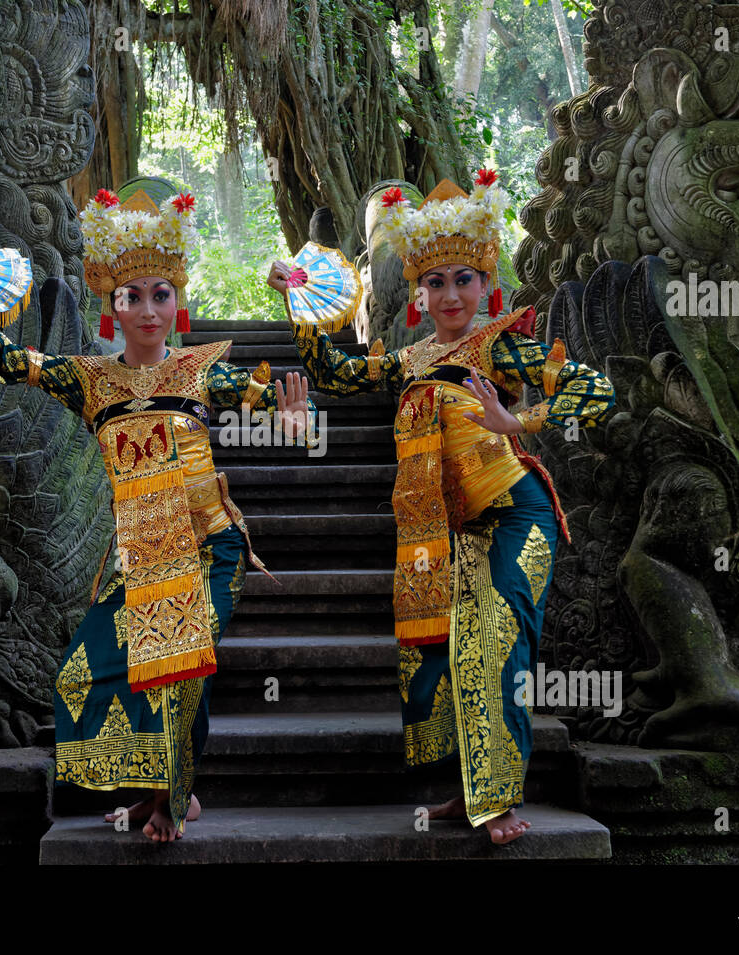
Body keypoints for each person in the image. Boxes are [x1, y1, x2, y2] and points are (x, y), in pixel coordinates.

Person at [0, 187, 315, 843]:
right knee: (84, 674)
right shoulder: (88, 377)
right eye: (131, 295)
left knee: (179, 662)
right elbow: (2, 361)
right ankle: (150, 789)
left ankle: (171, 797)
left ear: (176, 299)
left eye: (160, 293)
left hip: (208, 549)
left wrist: (295, 423)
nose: (147, 308)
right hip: (135, 558)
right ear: (110, 304)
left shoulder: (199, 372)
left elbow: (271, 407)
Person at [270, 170, 616, 844]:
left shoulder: (504, 346)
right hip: (445, 535)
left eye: (463, 279)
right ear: (420, 295)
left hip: (517, 517)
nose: (450, 293)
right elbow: (336, 375)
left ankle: (498, 798)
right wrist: (302, 309)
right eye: (436, 282)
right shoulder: (406, 360)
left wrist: (519, 422)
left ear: (485, 285)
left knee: (493, 644)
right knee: (445, 655)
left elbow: (594, 390)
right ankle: (470, 790)